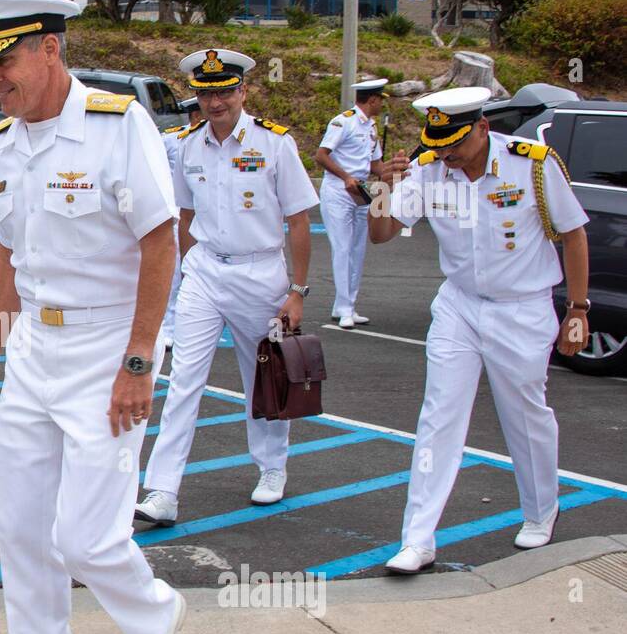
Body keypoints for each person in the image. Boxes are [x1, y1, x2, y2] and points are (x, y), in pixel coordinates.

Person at [0, 0, 185, 634]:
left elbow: (162, 242)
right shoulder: (5, 142)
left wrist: (137, 359)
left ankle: (152, 613)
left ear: (51, 49)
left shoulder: (118, 125)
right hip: (30, 350)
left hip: (105, 349)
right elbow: (8, 256)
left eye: (6, 60)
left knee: (86, 537)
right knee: (23, 531)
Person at [369, 87, 591, 573]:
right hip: (459, 307)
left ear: (483, 129)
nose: (447, 153)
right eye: (439, 142)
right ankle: (418, 538)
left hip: (523, 307)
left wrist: (577, 310)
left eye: (455, 143)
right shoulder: (430, 169)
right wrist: (380, 186)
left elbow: (573, 234)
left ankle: (539, 513)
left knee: (524, 414)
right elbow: (382, 234)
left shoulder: (529, 164)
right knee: (438, 416)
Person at [135, 49, 317, 526]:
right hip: (206, 272)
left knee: (263, 377)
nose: (215, 102)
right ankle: (163, 488)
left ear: (243, 91)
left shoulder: (275, 144)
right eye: (205, 93)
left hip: (261, 275)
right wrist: (189, 265)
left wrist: (297, 290)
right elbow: (186, 215)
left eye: (224, 92)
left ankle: (272, 467)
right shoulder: (190, 145)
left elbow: (298, 221)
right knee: (183, 381)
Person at [315, 78, 390, 328]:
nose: (381, 104)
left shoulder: (371, 127)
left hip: (361, 189)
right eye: (381, 100)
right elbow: (321, 155)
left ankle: (346, 305)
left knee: (358, 249)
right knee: (343, 248)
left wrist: (399, 168)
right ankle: (345, 307)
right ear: (372, 100)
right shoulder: (343, 121)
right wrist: (345, 176)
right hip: (339, 189)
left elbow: (376, 165)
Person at [158, 96, 201, 349]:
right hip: (178, 212)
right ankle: (169, 326)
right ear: (194, 116)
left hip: (207, 215)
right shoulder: (172, 139)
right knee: (174, 273)